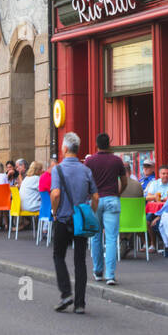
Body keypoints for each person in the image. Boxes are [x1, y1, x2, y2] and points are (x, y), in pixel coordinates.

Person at [51, 132, 99, 314]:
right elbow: (95, 196)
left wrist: (55, 212)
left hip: (63, 219)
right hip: (81, 221)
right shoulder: (86, 170)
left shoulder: (58, 169)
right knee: (80, 261)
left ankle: (65, 294)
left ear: (64, 149)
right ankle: (80, 303)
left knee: (58, 256)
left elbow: (55, 194)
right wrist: (90, 212)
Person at [85, 133, 126, 286]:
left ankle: (97, 271)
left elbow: (85, 181)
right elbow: (125, 181)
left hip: (95, 200)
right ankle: (110, 275)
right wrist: (118, 193)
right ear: (109, 144)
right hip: (112, 199)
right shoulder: (116, 160)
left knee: (95, 237)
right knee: (110, 238)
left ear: (96, 145)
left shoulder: (89, 161)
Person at [145, 166, 168, 253]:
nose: (166, 175)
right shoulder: (154, 183)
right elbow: (148, 197)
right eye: (163, 173)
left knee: (161, 222)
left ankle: (167, 244)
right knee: (147, 221)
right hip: (155, 209)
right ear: (159, 175)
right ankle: (153, 244)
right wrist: (154, 196)